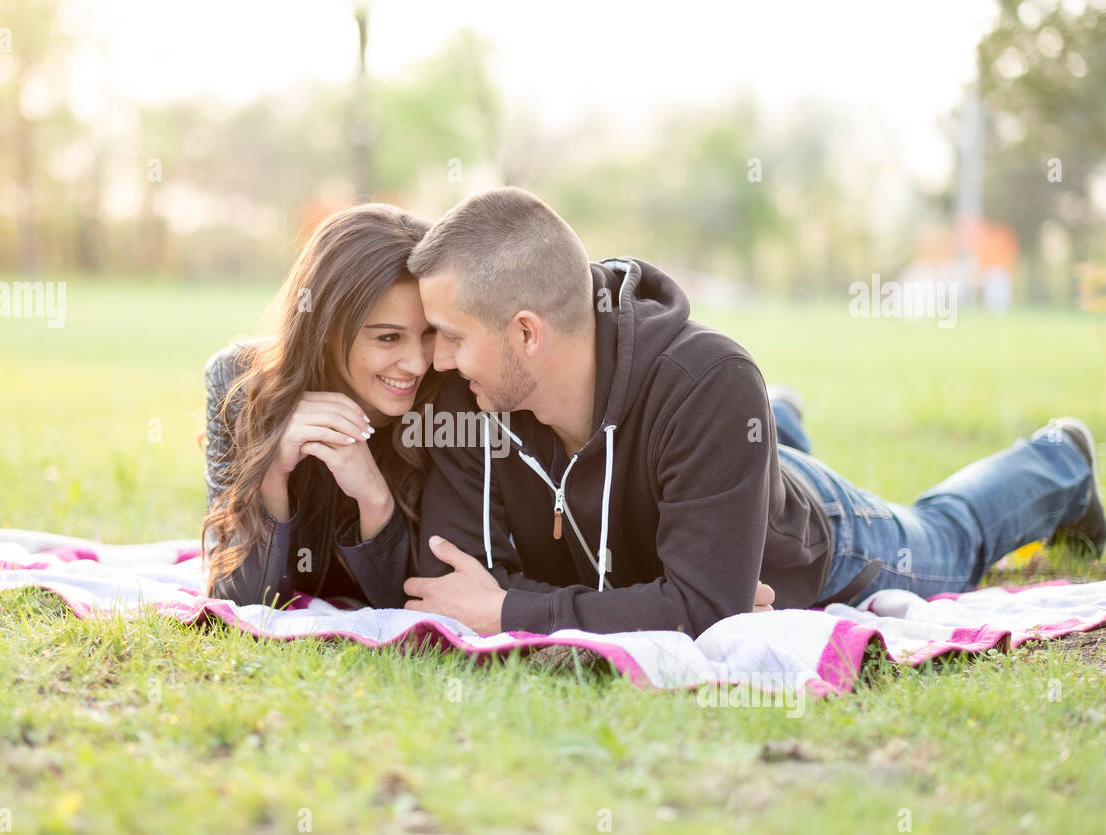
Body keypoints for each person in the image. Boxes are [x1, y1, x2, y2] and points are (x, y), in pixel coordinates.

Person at [401, 186, 1104, 638]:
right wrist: (665, 603)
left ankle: (1058, 459)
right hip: (718, 480)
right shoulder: (475, 393)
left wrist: (513, 610)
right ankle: (780, 424)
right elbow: (454, 584)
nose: (434, 362)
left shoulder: (707, 381)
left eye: (452, 338)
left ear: (527, 332)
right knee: (739, 446)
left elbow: (705, 612)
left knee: (948, 538)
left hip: (811, 538)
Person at [201, 203, 440, 608]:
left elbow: (417, 608)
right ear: (325, 329)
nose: (418, 363)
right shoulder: (235, 385)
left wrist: (375, 501)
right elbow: (238, 601)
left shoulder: (446, 399)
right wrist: (271, 473)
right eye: (388, 338)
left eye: (430, 333)